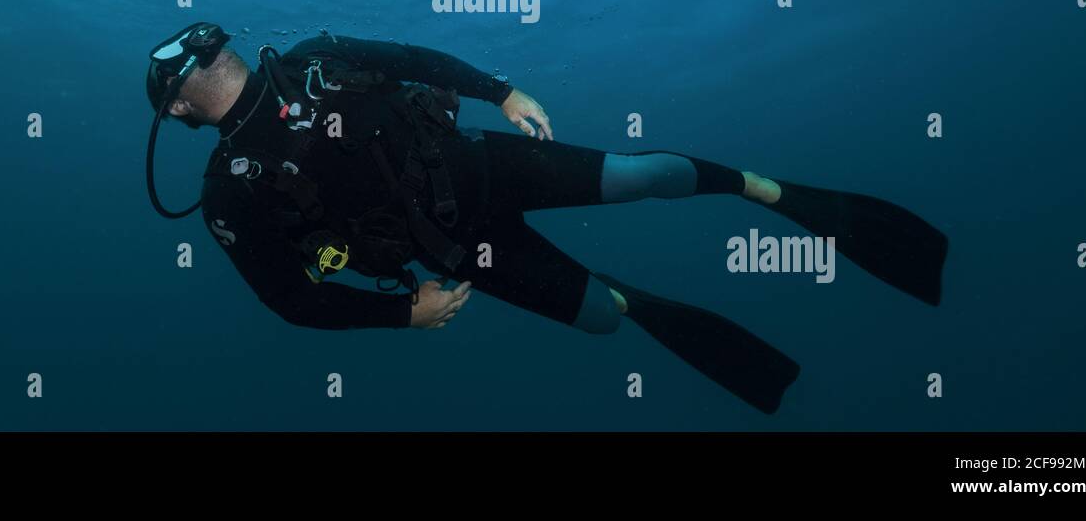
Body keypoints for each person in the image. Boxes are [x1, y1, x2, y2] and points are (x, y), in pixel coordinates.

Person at [144, 22, 947, 414]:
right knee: (605, 317)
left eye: (202, 35)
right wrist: (401, 313)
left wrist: (502, 89)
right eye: (178, 58)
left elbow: (411, 59)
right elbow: (291, 297)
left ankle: (770, 193)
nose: (201, 43)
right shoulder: (228, 193)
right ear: (178, 105)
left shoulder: (313, 56)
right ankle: (646, 305)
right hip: (459, 252)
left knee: (644, 175)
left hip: (487, 165)